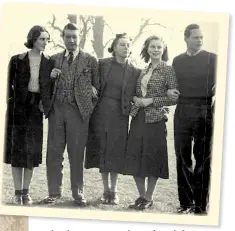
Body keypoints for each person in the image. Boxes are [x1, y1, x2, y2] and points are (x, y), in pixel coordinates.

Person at [44, 23, 99, 206]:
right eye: (68, 37)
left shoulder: (90, 60)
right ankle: (54, 192)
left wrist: (87, 107)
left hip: (79, 113)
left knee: (76, 154)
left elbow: (96, 89)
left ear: (79, 37)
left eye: (75, 36)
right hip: (57, 110)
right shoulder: (53, 59)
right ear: (63, 38)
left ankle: (78, 193)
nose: (72, 40)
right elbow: (45, 86)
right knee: (54, 153)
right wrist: (51, 77)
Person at [122, 35, 178, 210]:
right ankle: (141, 196)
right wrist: (135, 98)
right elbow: (134, 91)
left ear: (163, 50)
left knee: (153, 159)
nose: (155, 50)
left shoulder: (168, 70)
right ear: (147, 49)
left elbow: (174, 98)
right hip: (138, 118)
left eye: (159, 47)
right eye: (152, 47)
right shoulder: (143, 70)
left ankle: (149, 197)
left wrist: (151, 100)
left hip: (156, 120)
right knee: (135, 157)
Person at [85, 33, 140, 205]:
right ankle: (105, 190)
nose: (126, 47)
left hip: (120, 115)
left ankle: (114, 191)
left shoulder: (135, 70)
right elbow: (86, 75)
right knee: (102, 149)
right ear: (114, 47)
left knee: (115, 151)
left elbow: (141, 89)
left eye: (128, 45)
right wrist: (90, 87)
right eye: (122, 44)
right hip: (100, 112)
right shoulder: (102, 64)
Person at [168, 24, 216, 215]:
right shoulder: (177, 60)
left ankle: (201, 205)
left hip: (205, 110)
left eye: (201, 37)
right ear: (186, 38)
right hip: (182, 110)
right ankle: (186, 203)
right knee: (182, 159)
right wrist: (170, 91)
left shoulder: (213, 59)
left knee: (203, 160)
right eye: (195, 37)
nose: (199, 40)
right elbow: (172, 85)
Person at [4, 25, 53, 205]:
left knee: (31, 152)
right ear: (33, 39)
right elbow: (6, 84)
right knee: (17, 152)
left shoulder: (49, 62)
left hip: (35, 111)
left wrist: (44, 103)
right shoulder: (17, 60)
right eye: (42, 39)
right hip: (17, 110)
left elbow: (50, 88)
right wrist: (12, 102)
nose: (45, 43)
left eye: (47, 40)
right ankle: (17, 193)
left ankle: (26, 192)